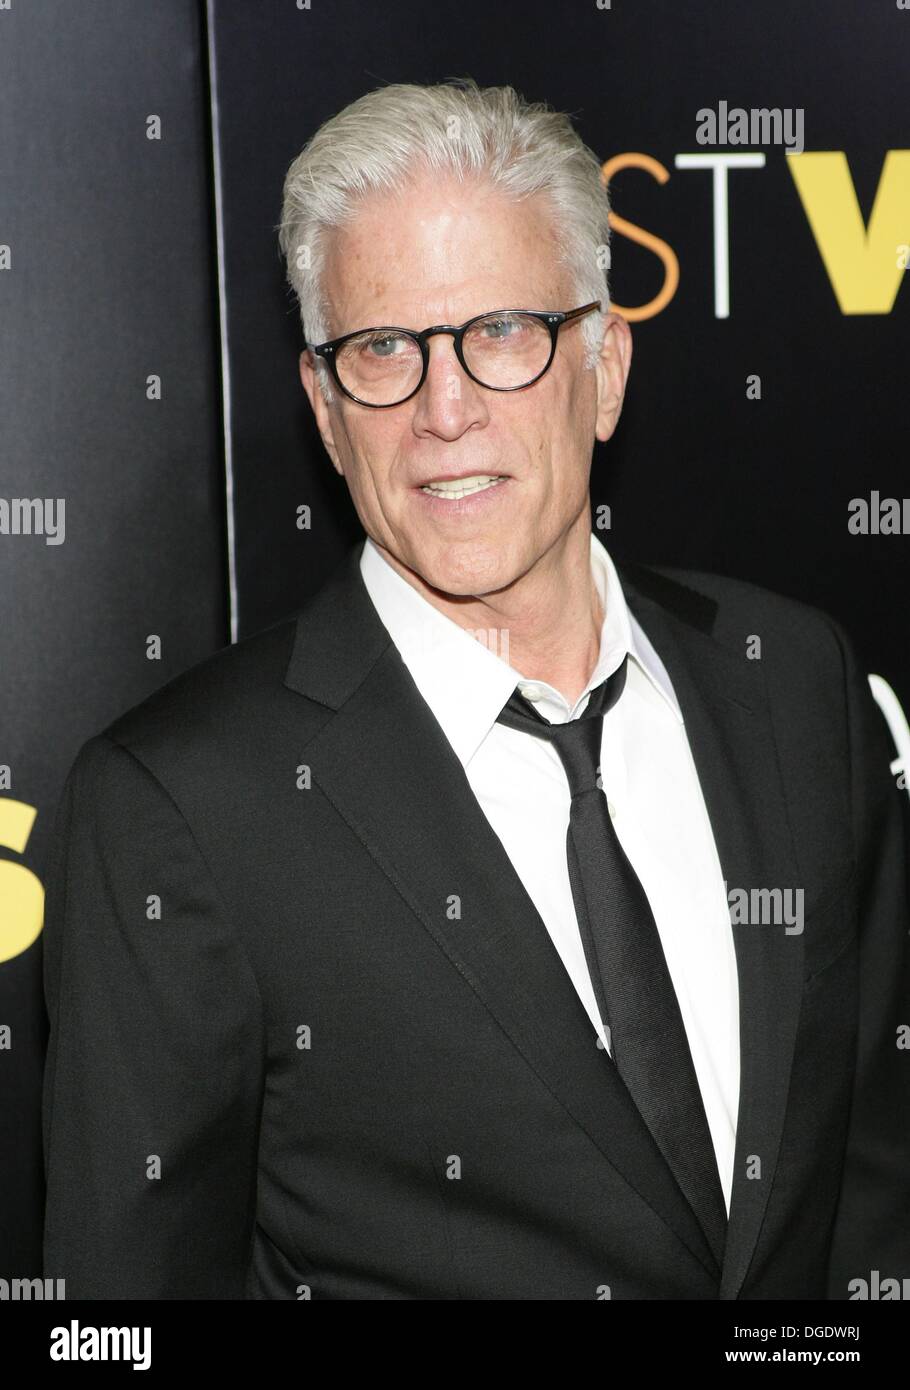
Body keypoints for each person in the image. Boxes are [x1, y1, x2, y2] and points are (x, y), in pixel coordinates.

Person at [42, 79, 910, 1300]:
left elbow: (872, 1198)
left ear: (604, 367)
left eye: (501, 332)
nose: (444, 411)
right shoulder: (180, 806)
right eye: (383, 349)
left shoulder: (792, 684)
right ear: (326, 412)